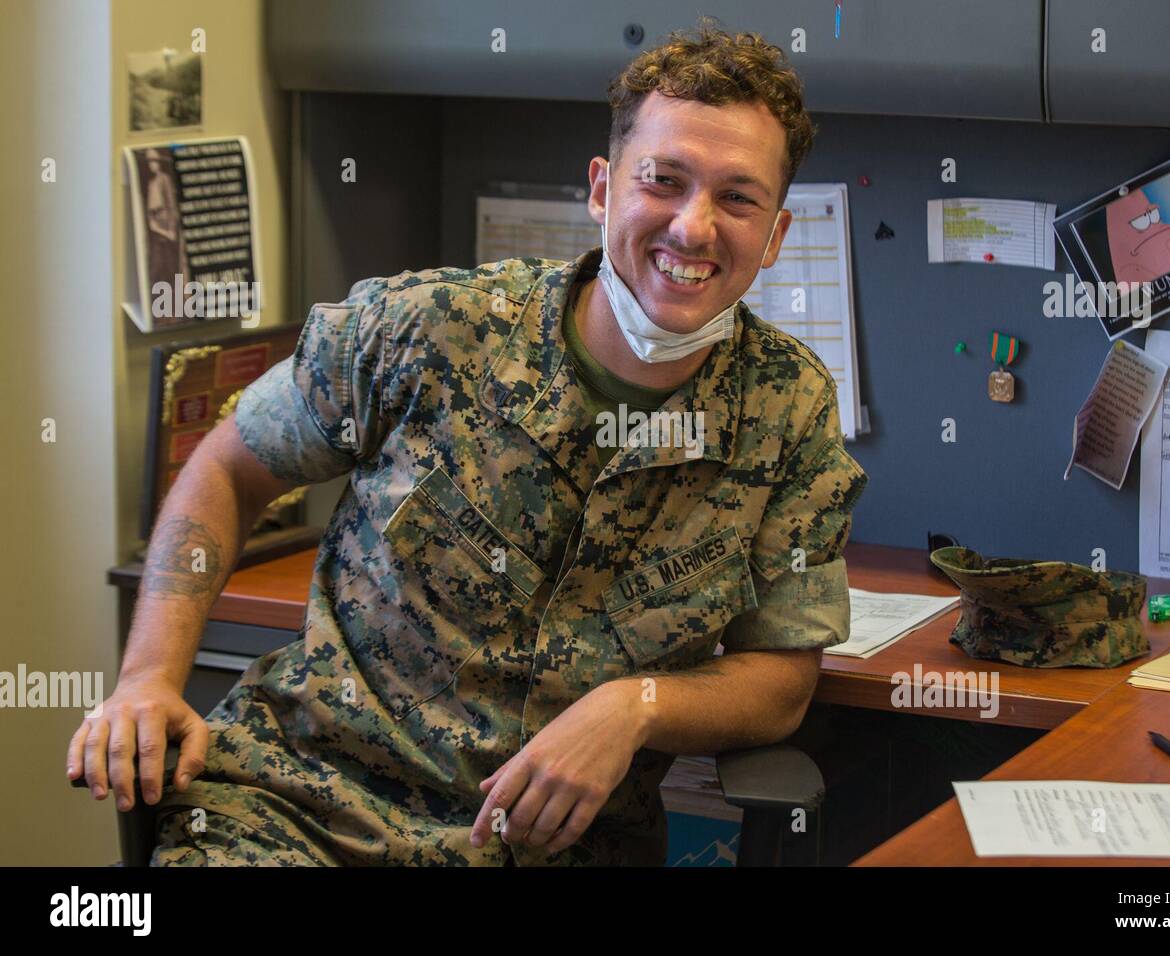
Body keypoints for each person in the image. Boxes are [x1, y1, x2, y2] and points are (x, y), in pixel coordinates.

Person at [68, 19, 867, 866]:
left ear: (776, 235)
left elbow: (781, 679)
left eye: (737, 198)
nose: (694, 227)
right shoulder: (428, 328)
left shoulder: (789, 411)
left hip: (546, 846)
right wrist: (150, 676)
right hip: (298, 814)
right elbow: (229, 468)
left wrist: (636, 707)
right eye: (663, 181)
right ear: (602, 190)